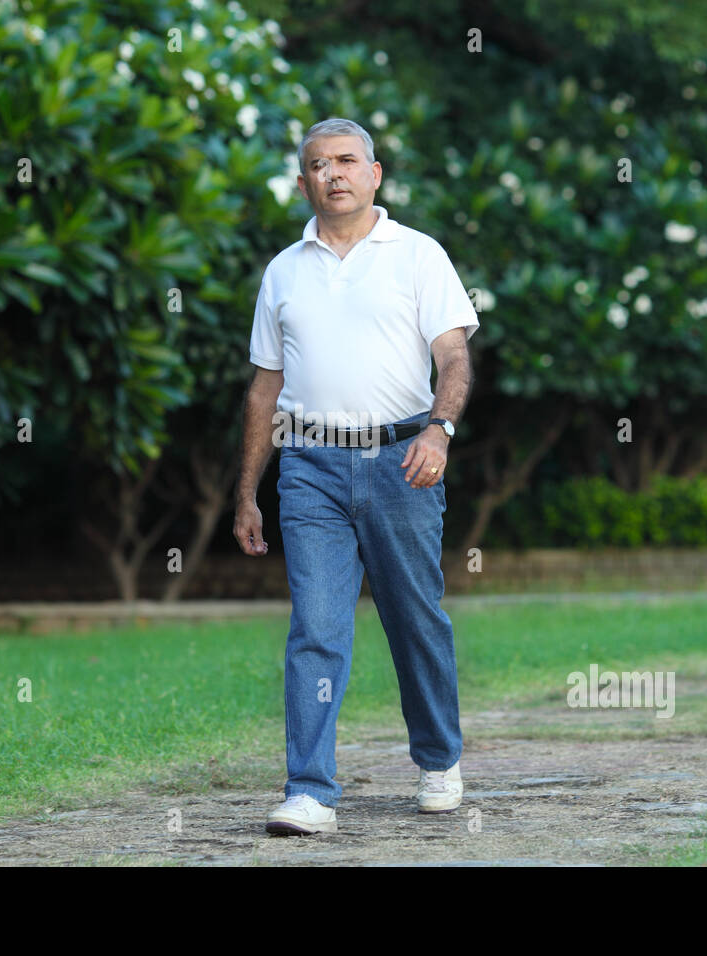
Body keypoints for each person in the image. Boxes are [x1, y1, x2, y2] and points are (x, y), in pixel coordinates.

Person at [233, 118, 478, 835]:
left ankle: (438, 758)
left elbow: (454, 357)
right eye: (318, 164)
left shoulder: (418, 255)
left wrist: (439, 429)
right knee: (316, 626)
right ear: (302, 182)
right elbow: (263, 389)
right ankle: (310, 790)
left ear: (374, 174)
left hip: (403, 462)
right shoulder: (284, 271)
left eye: (346, 161)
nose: (333, 174)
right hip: (308, 467)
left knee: (415, 618)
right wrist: (246, 493)